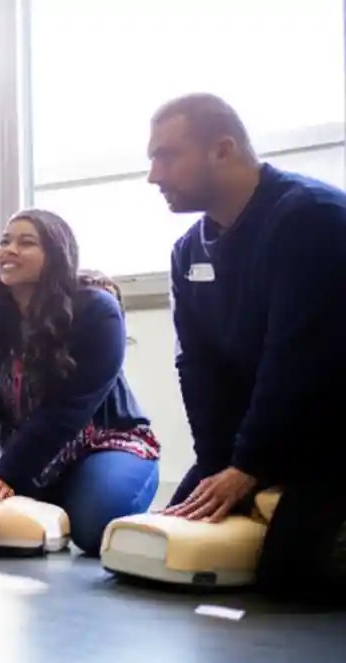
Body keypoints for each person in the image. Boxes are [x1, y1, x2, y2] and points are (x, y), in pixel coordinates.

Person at [149, 93, 346, 602]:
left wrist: (250, 465)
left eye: (167, 156)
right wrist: (218, 465)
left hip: (332, 429)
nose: (154, 176)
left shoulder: (311, 219)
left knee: (290, 575)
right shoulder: (187, 251)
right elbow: (198, 368)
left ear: (222, 149)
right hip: (273, 434)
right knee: (159, 550)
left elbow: (300, 359)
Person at [0, 209, 161, 555]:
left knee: (93, 527)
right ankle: (56, 501)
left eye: (26, 242)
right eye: (5, 241)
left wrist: (7, 474)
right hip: (32, 453)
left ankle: (90, 497)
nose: (9, 250)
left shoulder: (97, 309)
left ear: (57, 254)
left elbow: (67, 412)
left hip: (107, 443)